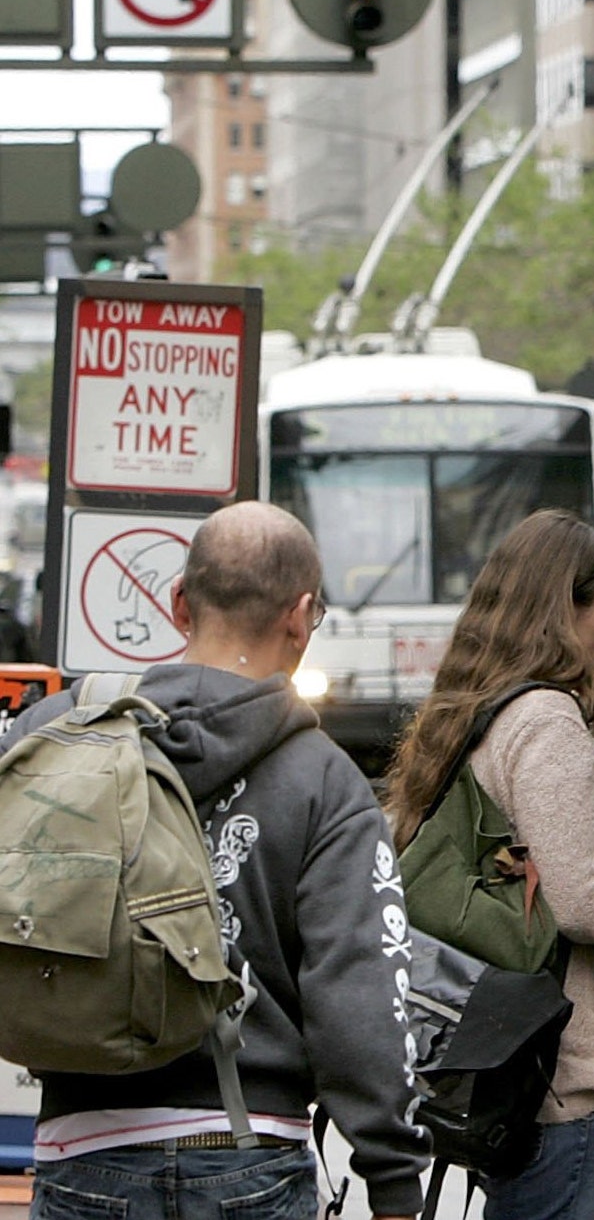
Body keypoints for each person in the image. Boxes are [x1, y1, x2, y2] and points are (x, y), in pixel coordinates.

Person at [1, 502, 427, 1220]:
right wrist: (392, 1176)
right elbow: (360, 989)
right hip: (250, 1149)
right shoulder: (323, 779)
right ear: (299, 616)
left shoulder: (55, 732)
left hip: (82, 1147)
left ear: (177, 604)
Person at [381, 510, 594, 1220]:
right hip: (559, 1088)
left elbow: (528, 882)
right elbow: (575, 900)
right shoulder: (544, 720)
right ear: (560, 610)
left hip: (528, 1081)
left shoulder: (480, 711)